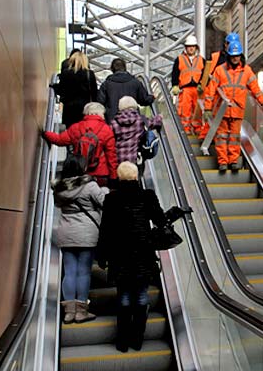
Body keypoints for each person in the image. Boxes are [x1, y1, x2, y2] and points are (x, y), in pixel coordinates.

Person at [96, 161, 168, 352]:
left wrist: (101, 256)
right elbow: (160, 220)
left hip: (120, 256)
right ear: (136, 176)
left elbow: (106, 230)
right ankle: (137, 340)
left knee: (125, 295)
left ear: (119, 177)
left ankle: (122, 341)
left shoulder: (112, 199)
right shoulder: (147, 196)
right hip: (143, 254)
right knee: (142, 295)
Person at [52, 154, 107, 323]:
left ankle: (69, 313)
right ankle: (81, 312)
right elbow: (105, 202)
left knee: (69, 272)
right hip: (86, 234)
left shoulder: (59, 188)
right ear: (81, 168)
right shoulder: (90, 185)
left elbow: (58, 205)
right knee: (83, 271)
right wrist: (104, 190)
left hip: (66, 232)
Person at [204, 37, 263, 173]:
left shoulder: (247, 71)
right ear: (229, 56)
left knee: (234, 137)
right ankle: (223, 162)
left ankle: (233, 161)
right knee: (222, 137)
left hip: (237, 110)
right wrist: (207, 108)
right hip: (222, 110)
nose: (235, 59)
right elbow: (210, 90)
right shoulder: (219, 70)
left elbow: (255, 89)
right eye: (233, 56)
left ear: (241, 56)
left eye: (237, 56)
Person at [42, 102, 117, 187]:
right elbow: (111, 156)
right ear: (98, 113)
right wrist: (113, 177)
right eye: (103, 114)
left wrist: (45, 133)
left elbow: (59, 140)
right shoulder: (107, 130)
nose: (104, 116)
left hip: (79, 172)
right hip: (100, 174)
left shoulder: (76, 127)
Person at [111, 96, 163, 171]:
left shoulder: (114, 122)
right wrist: (159, 117)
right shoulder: (140, 119)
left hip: (119, 161)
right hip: (135, 160)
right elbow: (153, 123)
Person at [97, 58, 154, 123]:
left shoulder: (106, 84)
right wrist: (152, 97)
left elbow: (100, 102)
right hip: (132, 120)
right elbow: (143, 100)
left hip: (112, 121)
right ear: (125, 68)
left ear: (112, 69)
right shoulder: (135, 82)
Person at [171, 34, 205, 136]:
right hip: (185, 89)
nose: (191, 48)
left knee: (197, 110)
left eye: (193, 46)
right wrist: (175, 85)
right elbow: (175, 73)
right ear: (186, 48)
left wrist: (202, 84)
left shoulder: (201, 60)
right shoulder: (179, 59)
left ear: (196, 47)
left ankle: (197, 128)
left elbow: (205, 74)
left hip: (197, 89)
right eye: (189, 46)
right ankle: (185, 128)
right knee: (184, 110)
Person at [53, 51, 98, 127]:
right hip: (85, 108)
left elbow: (61, 90)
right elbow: (94, 92)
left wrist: (54, 86)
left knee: (71, 132)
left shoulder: (66, 73)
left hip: (69, 108)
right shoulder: (89, 74)